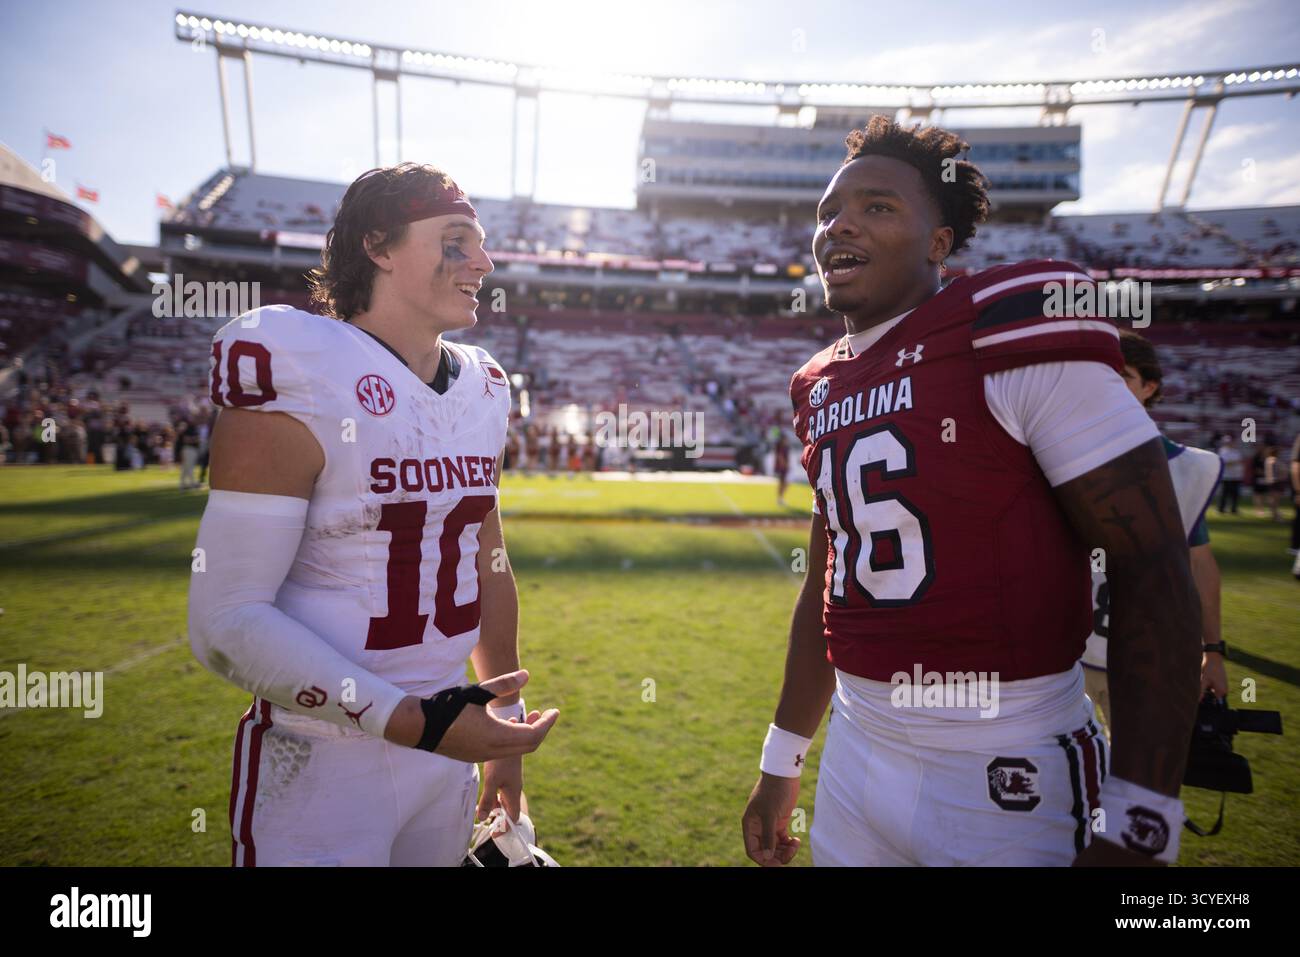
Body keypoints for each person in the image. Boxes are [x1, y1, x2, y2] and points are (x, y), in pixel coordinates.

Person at [741, 117, 1201, 868]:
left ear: (938, 241)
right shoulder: (817, 383)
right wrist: (782, 755)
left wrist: (1141, 820)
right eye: (828, 211)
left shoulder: (1007, 327)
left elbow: (1152, 561)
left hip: (1006, 759)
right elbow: (831, 578)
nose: (840, 223)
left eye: (878, 206)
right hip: (858, 754)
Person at [187, 163, 558, 867]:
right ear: (379, 247)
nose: (481, 260)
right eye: (456, 240)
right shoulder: (300, 362)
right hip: (324, 759)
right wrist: (414, 720)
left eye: (479, 242)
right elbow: (224, 621)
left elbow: (488, 558)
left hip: (448, 745)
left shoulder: (483, 384)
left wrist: (503, 726)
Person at [1083, 331, 1226, 738]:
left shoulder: (1184, 468)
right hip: (1064, 660)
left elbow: (1201, 566)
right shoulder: (1054, 453)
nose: (1109, 386)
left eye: (1123, 376)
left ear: (1150, 387)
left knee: (1138, 794)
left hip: (1142, 661)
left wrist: (1212, 652)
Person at [1217, 435, 1244, 513]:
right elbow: (1224, 462)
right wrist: (1235, 462)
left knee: (1235, 494)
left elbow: (1239, 462)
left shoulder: (1236, 451)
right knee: (1224, 494)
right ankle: (1221, 509)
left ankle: (1234, 509)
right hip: (1227, 476)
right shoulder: (1223, 451)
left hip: (1236, 476)